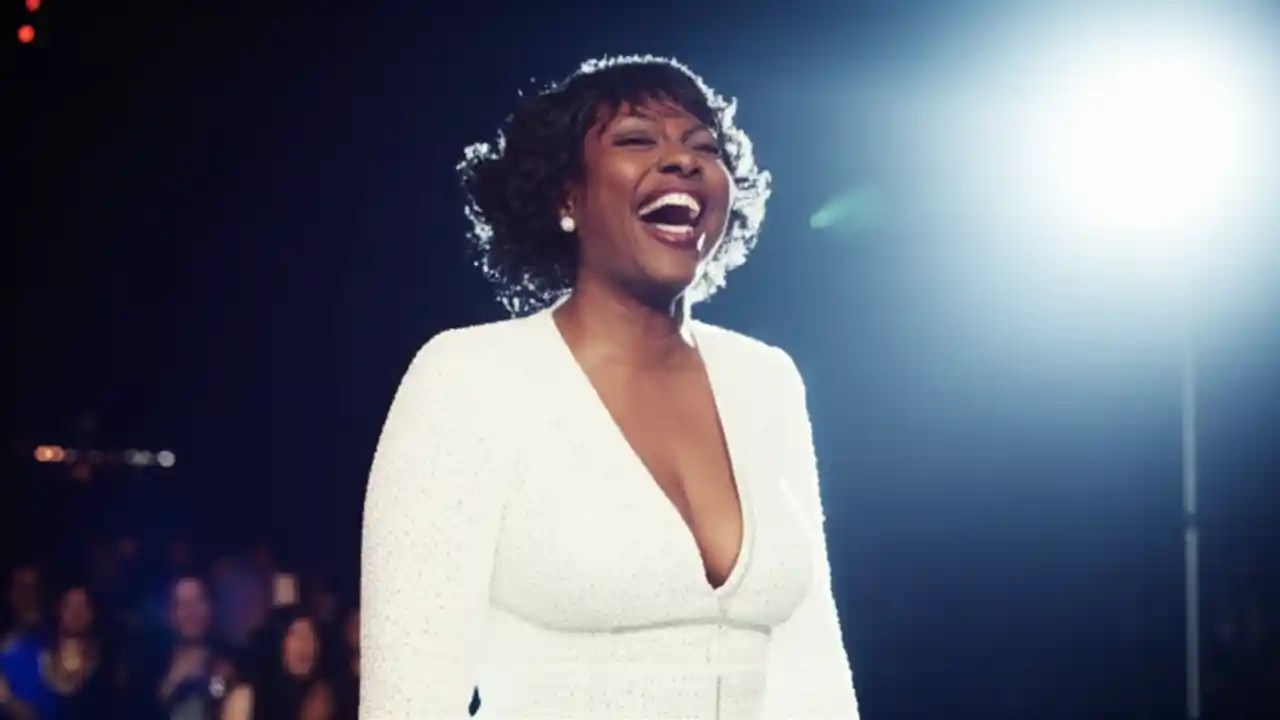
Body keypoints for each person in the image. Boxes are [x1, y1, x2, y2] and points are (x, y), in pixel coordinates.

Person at [360, 54, 859, 719]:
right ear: (566, 195)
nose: (682, 161)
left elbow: (813, 666)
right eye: (637, 140)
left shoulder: (767, 381)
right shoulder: (470, 379)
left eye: (703, 147)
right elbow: (410, 699)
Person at [220, 605, 333, 720]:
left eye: (311, 636)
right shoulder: (247, 697)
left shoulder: (320, 698)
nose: (305, 644)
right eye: (295, 634)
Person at [39, 585, 117, 718]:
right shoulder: (40, 658)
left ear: (92, 613)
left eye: (83, 606)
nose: (77, 613)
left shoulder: (105, 664)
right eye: (71, 606)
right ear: (60, 610)